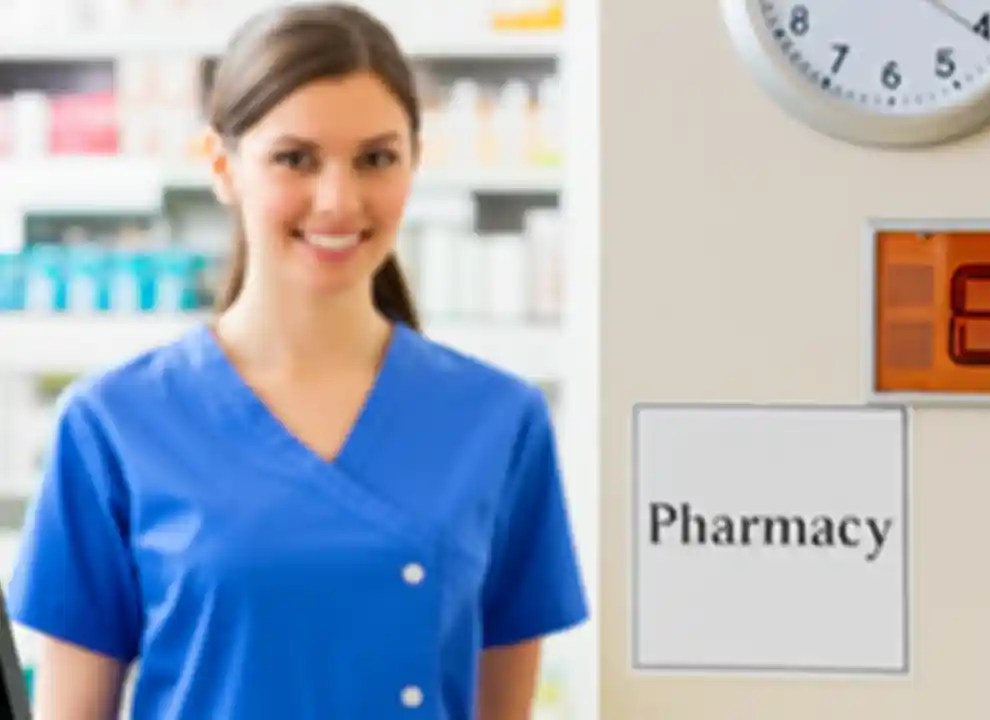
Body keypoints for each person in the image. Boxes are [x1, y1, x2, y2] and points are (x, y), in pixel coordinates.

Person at [4, 3, 589, 718]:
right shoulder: (112, 425)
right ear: (223, 167)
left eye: (376, 159)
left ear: (414, 162)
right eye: (295, 159)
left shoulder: (498, 423)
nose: (338, 201)